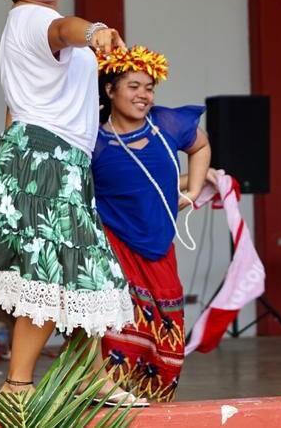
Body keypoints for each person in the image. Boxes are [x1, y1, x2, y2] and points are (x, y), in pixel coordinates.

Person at [0, 0, 141, 405]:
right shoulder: (33, 18)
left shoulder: (24, 24)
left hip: (50, 158)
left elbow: (14, 106)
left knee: (83, 271)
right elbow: (65, 31)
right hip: (44, 159)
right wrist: (94, 32)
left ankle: (88, 376)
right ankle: (17, 386)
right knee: (50, 276)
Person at [92, 46, 211, 402]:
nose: (143, 95)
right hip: (115, 244)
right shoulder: (93, 140)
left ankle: (149, 409)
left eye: (149, 87)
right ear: (110, 90)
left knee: (167, 329)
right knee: (118, 325)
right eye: (133, 86)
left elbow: (200, 146)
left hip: (160, 244)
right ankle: (107, 398)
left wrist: (191, 189)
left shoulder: (167, 124)